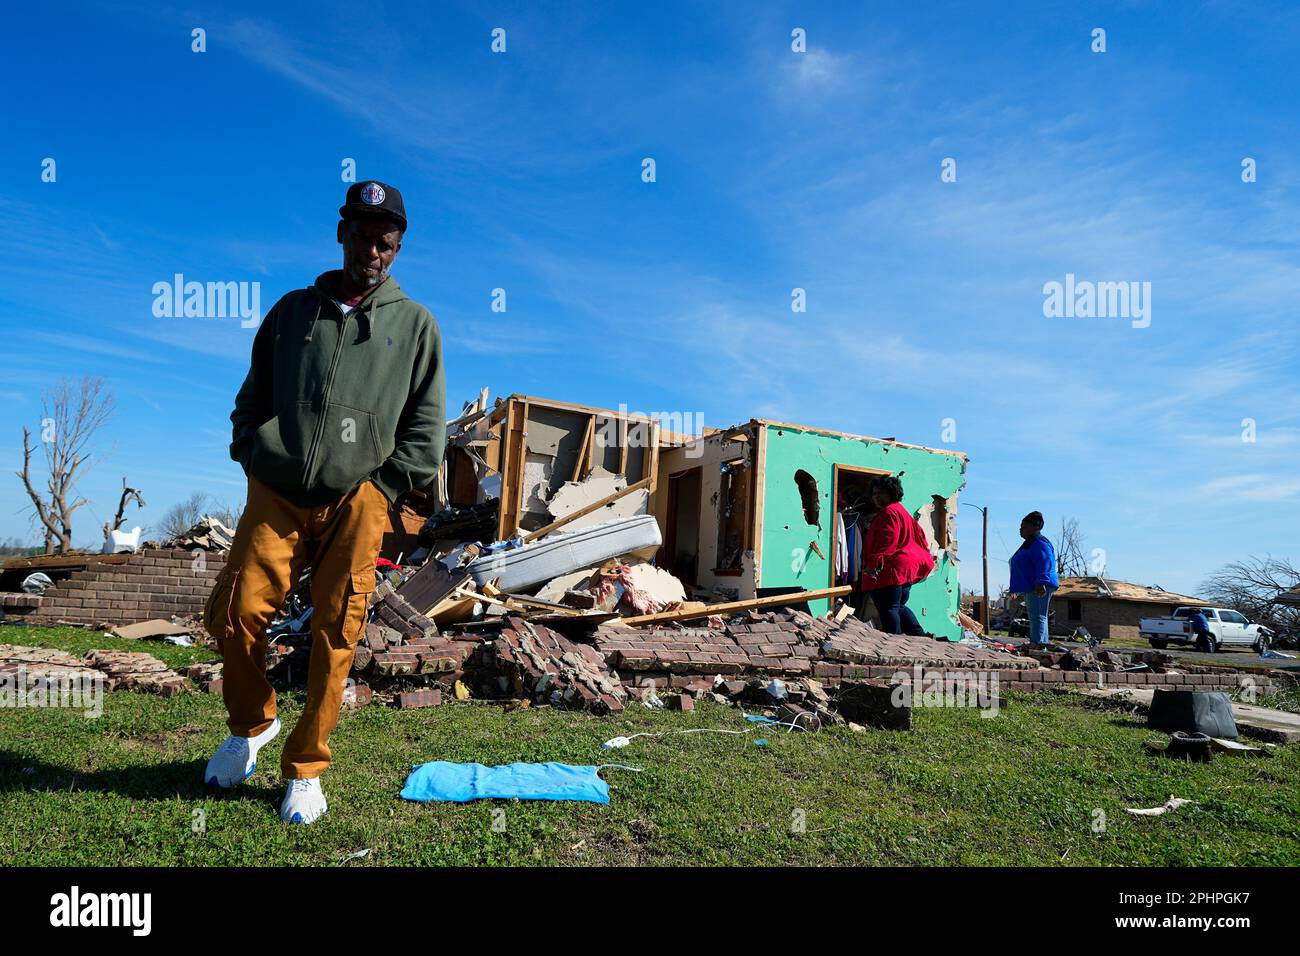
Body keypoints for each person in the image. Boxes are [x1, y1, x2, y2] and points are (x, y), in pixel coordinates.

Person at [202, 180, 445, 824]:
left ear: (398, 248)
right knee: (236, 612)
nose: (371, 249)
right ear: (342, 233)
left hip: (357, 499)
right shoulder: (291, 312)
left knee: (337, 631)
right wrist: (252, 451)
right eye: (362, 235)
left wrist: (383, 489)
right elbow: (252, 395)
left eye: (384, 241)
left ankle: (306, 766)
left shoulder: (416, 326)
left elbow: (426, 428)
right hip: (277, 492)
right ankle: (252, 726)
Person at [861, 475, 936, 636]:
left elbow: (888, 540)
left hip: (892, 569)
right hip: (905, 570)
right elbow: (920, 539)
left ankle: (893, 643)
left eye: (880, 493)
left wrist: (873, 563)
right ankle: (919, 636)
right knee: (899, 607)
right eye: (874, 494)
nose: (876, 497)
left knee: (889, 609)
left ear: (892, 493)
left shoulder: (889, 512)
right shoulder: (903, 513)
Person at [1009, 511, 1059, 646]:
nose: (1020, 529)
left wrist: (1041, 582)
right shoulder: (1030, 543)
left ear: (1035, 527)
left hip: (1039, 585)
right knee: (1037, 616)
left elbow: (1045, 562)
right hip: (1032, 585)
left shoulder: (1040, 543)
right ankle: (1040, 644)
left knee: (1038, 616)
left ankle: (1038, 645)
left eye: (1024, 527)